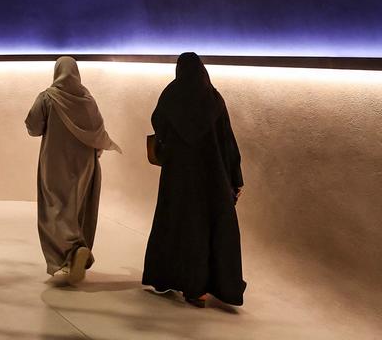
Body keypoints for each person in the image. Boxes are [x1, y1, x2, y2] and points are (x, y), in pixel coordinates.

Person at [142, 52, 246, 307]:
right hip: (211, 176)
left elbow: (159, 126)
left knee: (176, 225)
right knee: (206, 229)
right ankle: (199, 289)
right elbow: (227, 142)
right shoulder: (214, 100)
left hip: (177, 177)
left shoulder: (170, 96)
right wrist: (235, 178)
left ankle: (168, 278)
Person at [25, 56, 121, 284]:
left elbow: (33, 127)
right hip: (85, 163)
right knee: (79, 207)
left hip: (55, 163)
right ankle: (75, 253)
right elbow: (98, 129)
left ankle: (73, 249)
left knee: (55, 207)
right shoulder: (88, 99)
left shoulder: (48, 97)